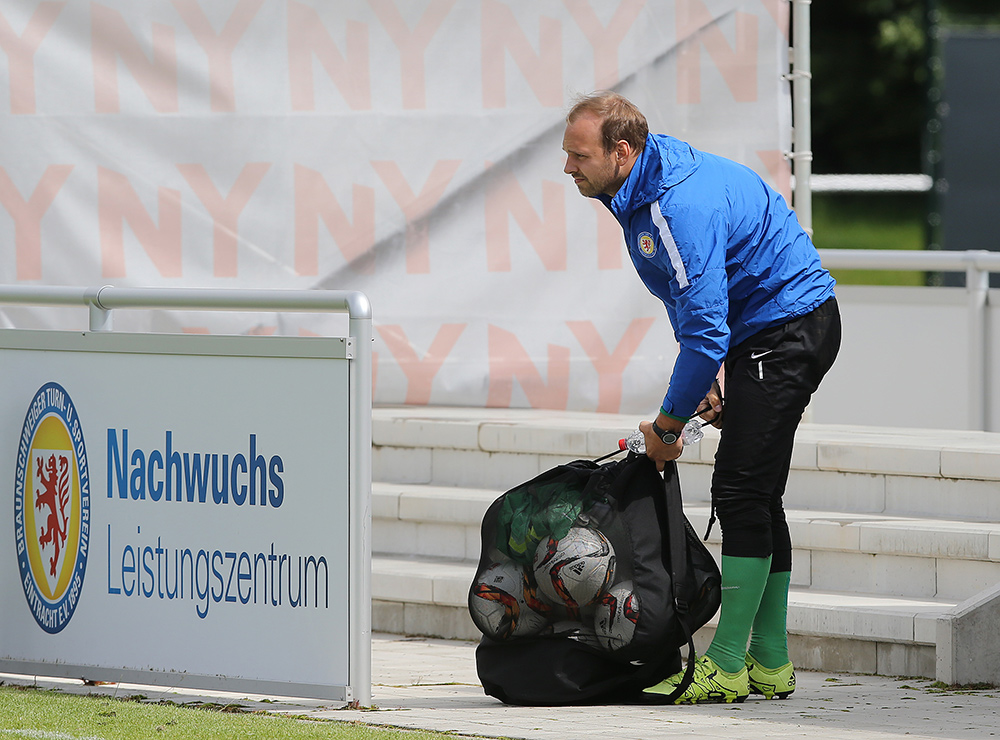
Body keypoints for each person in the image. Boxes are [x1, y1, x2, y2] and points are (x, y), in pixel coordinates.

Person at [562, 91, 841, 704]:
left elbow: (707, 326)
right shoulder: (633, 187)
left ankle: (727, 663)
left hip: (786, 330)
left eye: (579, 156)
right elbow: (684, 296)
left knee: (740, 491)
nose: (568, 168)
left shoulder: (672, 204)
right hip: (764, 334)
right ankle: (769, 660)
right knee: (758, 493)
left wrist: (667, 424)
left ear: (623, 150)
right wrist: (709, 376)